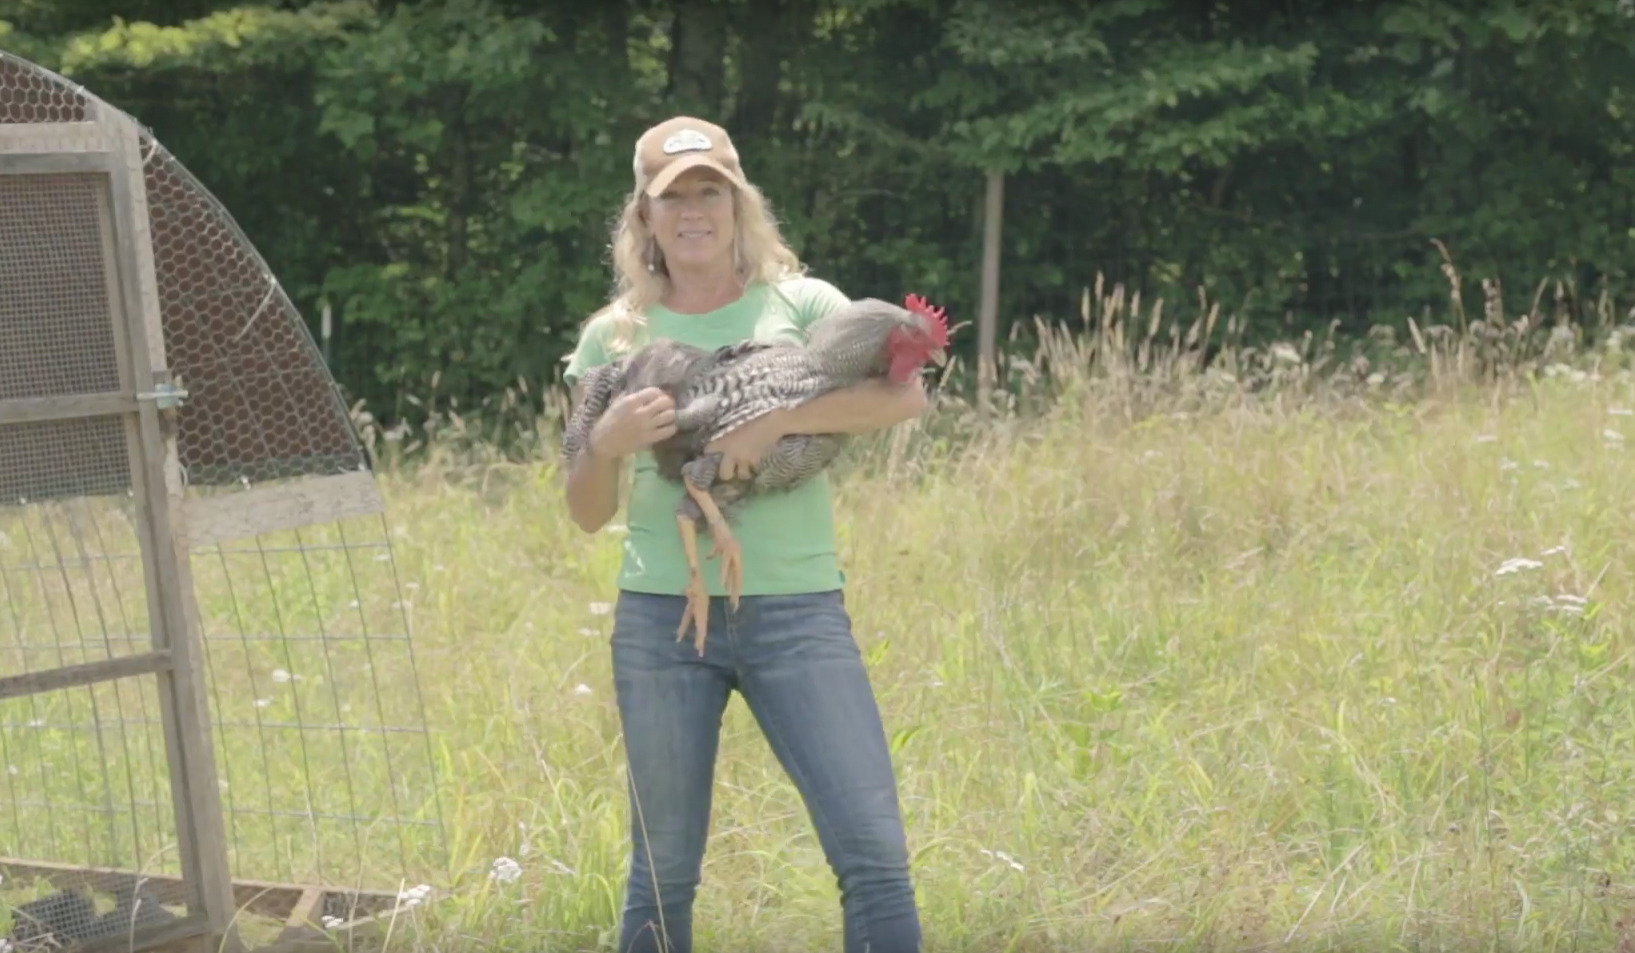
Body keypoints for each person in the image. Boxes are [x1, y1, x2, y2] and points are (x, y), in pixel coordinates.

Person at [561, 115, 927, 953]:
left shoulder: (802, 303)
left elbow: (904, 398)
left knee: (872, 854)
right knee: (662, 869)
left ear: (738, 204)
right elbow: (585, 510)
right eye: (672, 197)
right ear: (642, 218)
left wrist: (772, 423)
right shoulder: (612, 337)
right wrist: (608, 445)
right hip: (661, 621)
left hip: (797, 612)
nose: (693, 211)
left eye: (709, 192)